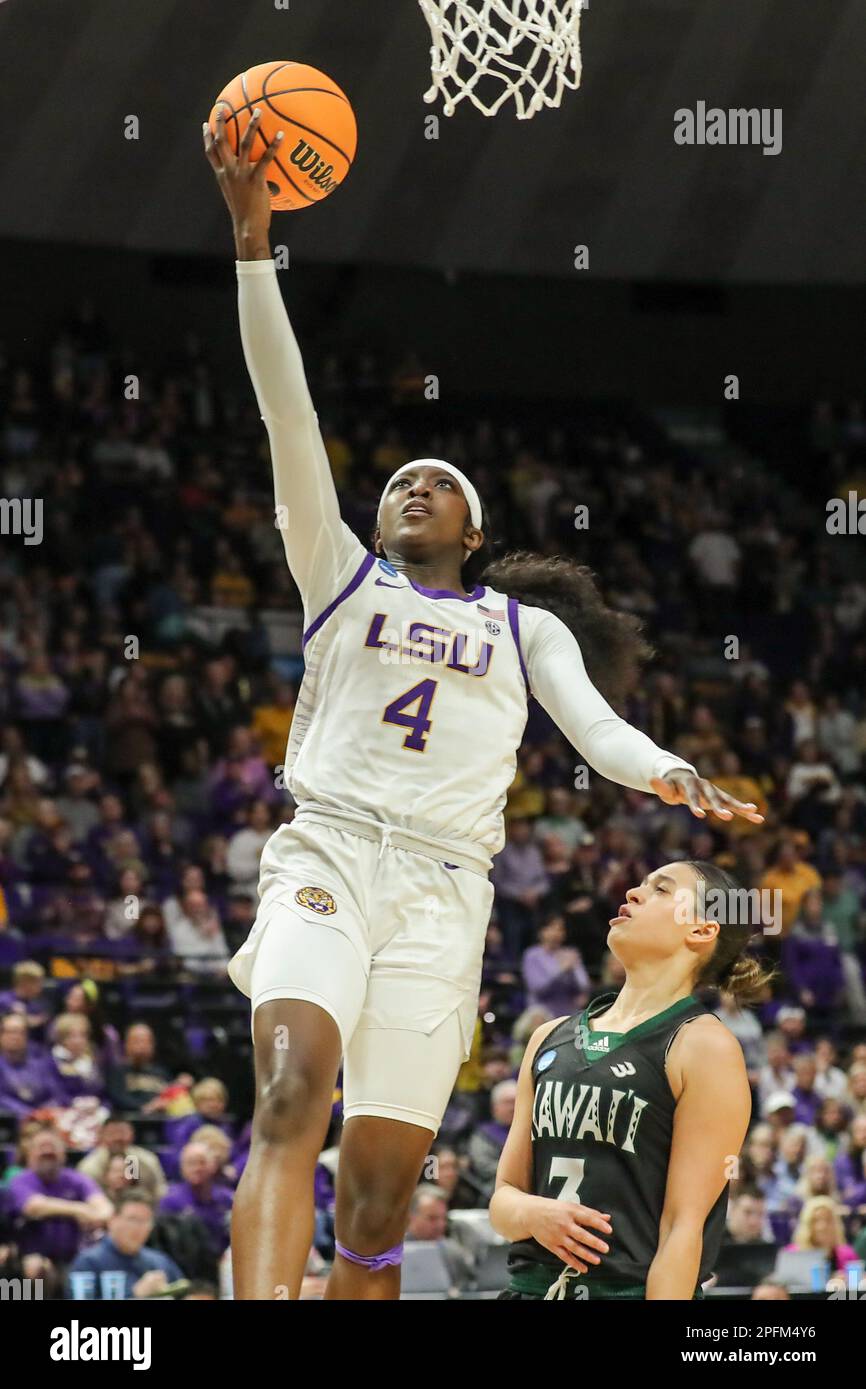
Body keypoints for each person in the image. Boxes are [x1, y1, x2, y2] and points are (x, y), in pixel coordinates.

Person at [203, 112, 765, 1302]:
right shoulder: (337, 572)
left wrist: (668, 767)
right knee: (290, 1095)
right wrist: (254, 242)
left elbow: (598, 732)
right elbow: (287, 414)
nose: (408, 488)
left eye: (434, 486)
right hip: (331, 852)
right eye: (398, 481)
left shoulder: (523, 628)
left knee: (377, 1196)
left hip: (447, 888)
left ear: (470, 529)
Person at [491, 861, 764, 1299]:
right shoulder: (549, 1036)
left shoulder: (703, 1046)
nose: (634, 894)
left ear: (699, 930)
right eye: (639, 885)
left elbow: (682, 1229)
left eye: (660, 889)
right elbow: (503, 1199)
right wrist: (532, 1214)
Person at [4, 1128, 113, 1269]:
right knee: (35, 1267)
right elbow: (34, 1207)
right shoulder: (21, 1180)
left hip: (77, 1255)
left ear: (63, 1154)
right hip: (32, 1255)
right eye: (42, 1148)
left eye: (53, 1148)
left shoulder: (77, 1179)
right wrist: (79, 1210)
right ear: (30, 1155)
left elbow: (106, 1209)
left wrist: (96, 1216)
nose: (47, 1152)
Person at [67, 1190, 184, 1300]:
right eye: (132, 1219)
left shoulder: (160, 1262)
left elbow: (186, 1292)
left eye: (145, 1221)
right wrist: (134, 1295)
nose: (138, 1228)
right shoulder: (88, 1262)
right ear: (113, 1220)